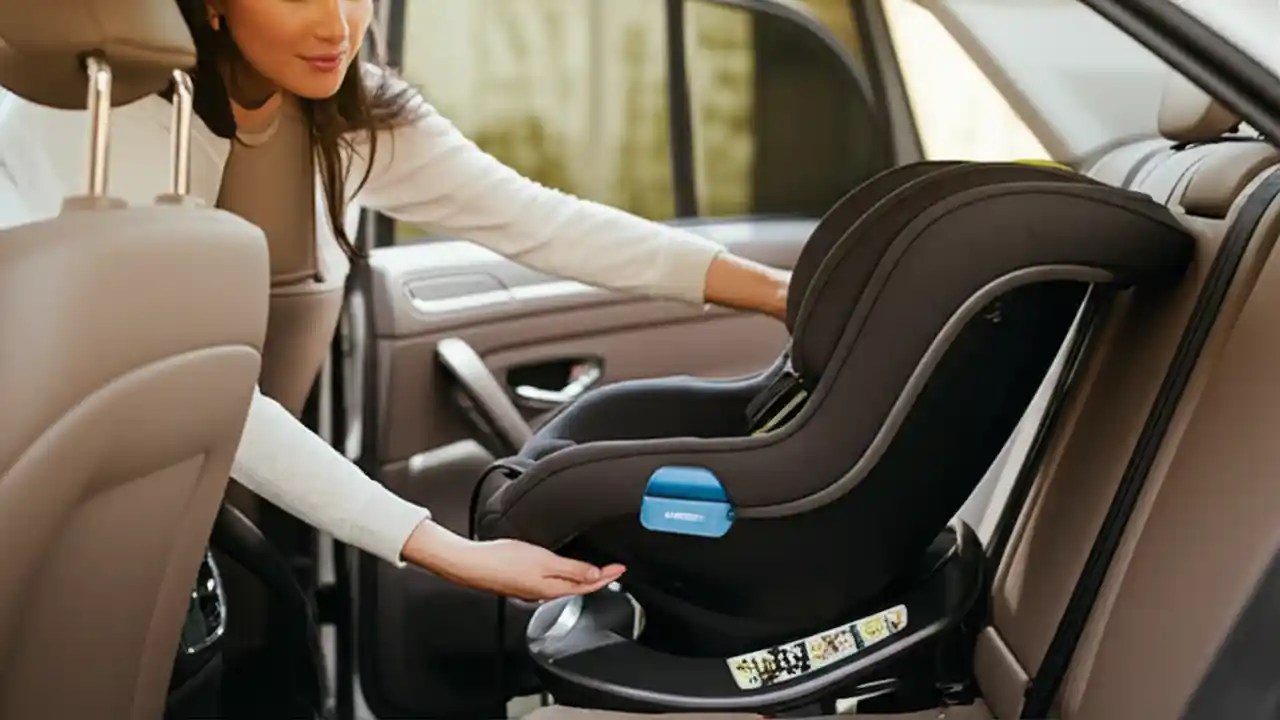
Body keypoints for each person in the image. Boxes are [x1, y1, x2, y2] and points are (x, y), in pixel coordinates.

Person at [0, 0, 791, 601]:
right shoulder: (104, 129)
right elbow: (209, 393)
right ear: (212, 5)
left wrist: (775, 293)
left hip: (201, 508)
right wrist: (445, 549)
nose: (337, 24)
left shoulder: (352, 114)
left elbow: (544, 222)